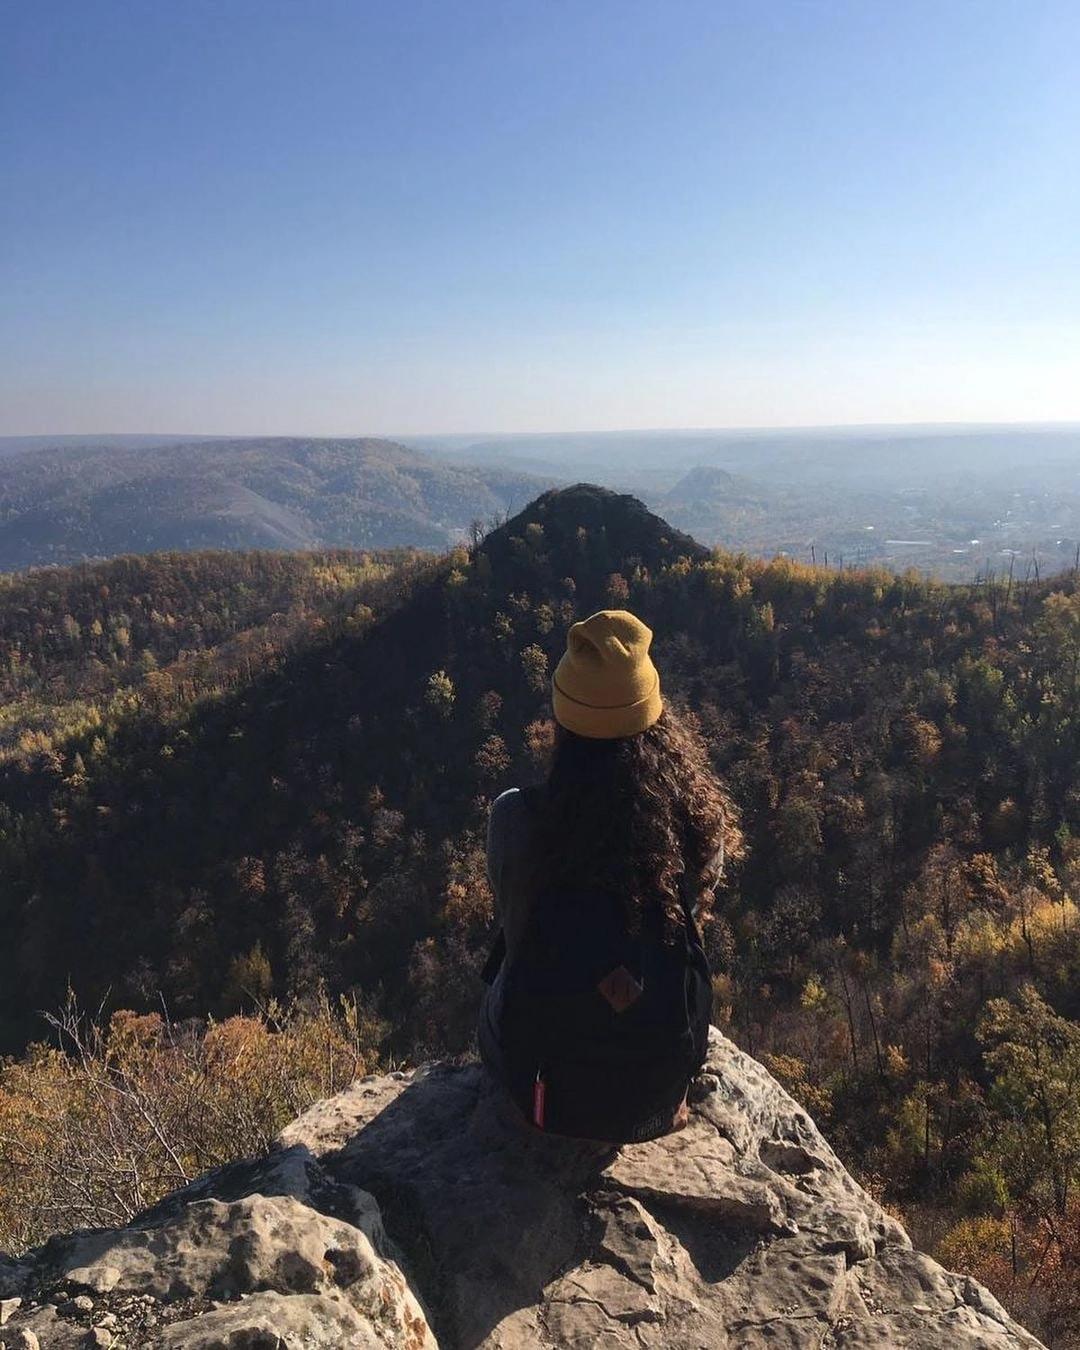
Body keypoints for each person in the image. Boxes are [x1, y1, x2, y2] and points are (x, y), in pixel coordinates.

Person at [478, 608, 735, 1143]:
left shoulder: (516, 819)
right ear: (654, 712)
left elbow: (517, 922)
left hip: (543, 1089)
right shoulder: (699, 826)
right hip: (656, 1090)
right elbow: (697, 926)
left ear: (562, 716)